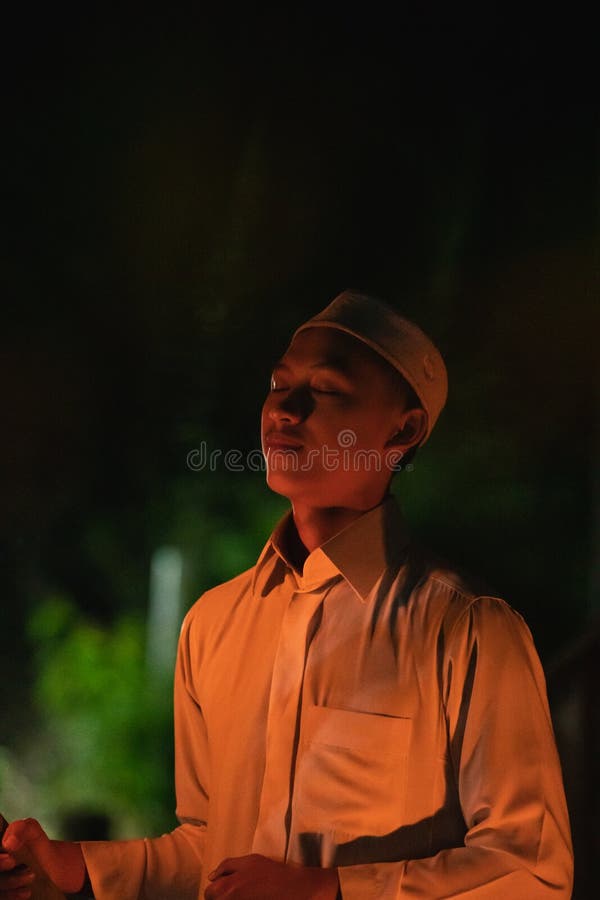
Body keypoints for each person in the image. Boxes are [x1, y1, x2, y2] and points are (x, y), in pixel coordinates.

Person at [0, 291, 573, 898]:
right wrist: (79, 868)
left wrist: (330, 888)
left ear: (403, 429)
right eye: (278, 384)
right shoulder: (214, 623)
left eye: (325, 390)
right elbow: (208, 846)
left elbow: (530, 869)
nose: (284, 410)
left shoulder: (468, 629)